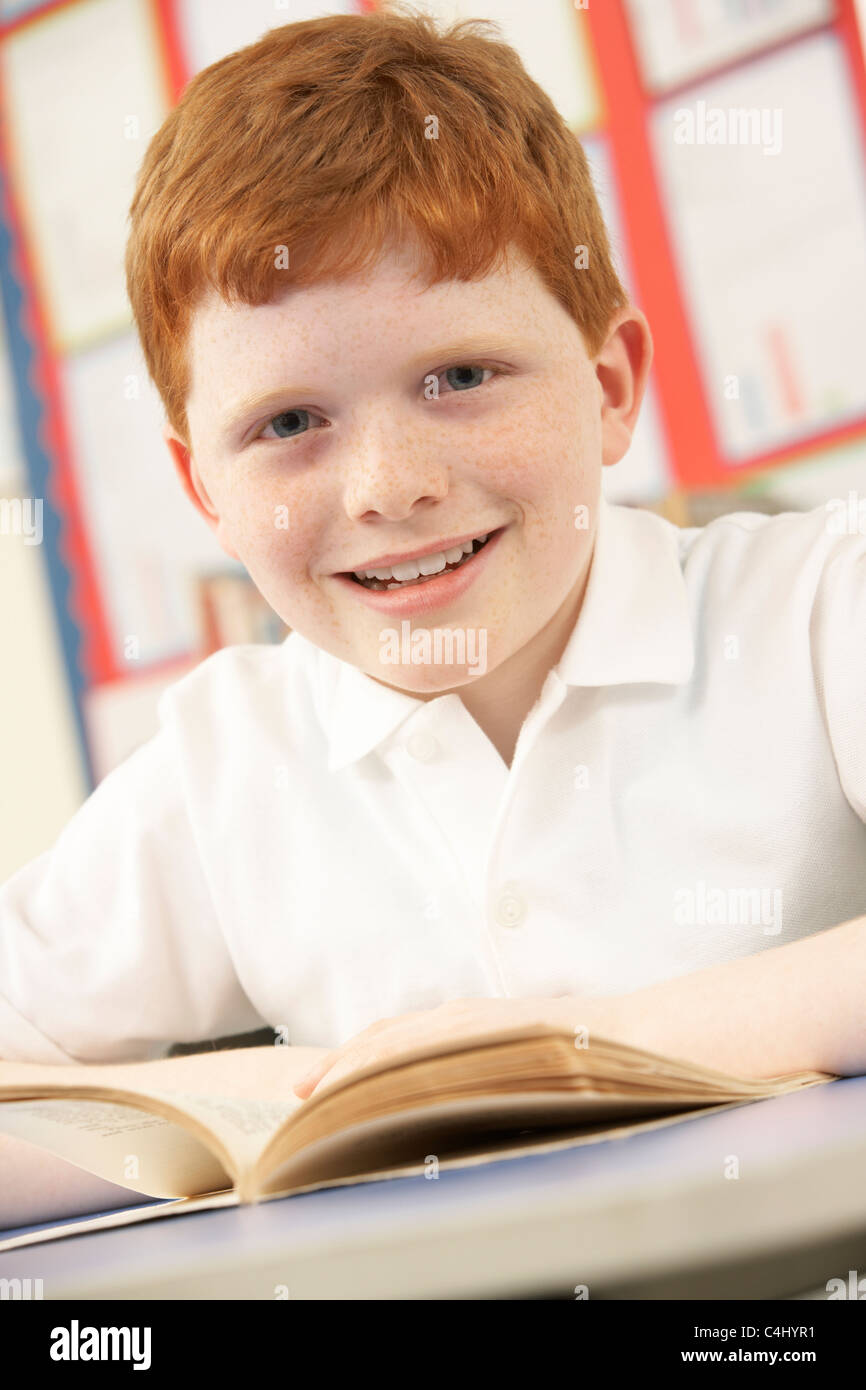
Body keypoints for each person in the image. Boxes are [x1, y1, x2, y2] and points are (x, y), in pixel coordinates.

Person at [1, 8, 864, 1100]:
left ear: (607, 387)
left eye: (458, 379)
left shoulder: (813, 609)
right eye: (286, 424)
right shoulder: (228, 763)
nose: (387, 486)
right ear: (203, 492)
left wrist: (575, 1046)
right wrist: (315, 1092)